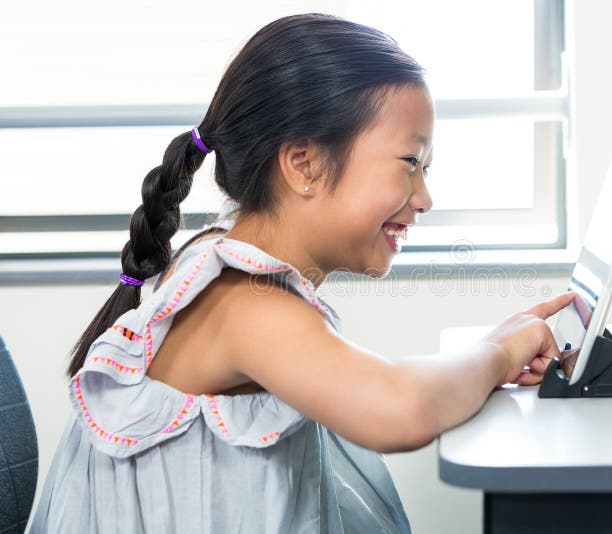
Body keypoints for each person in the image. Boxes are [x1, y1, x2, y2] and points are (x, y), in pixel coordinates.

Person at [30, 12, 574, 533]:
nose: (425, 198)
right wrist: (499, 354)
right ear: (303, 164)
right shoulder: (242, 300)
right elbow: (400, 410)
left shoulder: (220, 257)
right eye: (411, 163)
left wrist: (497, 344)